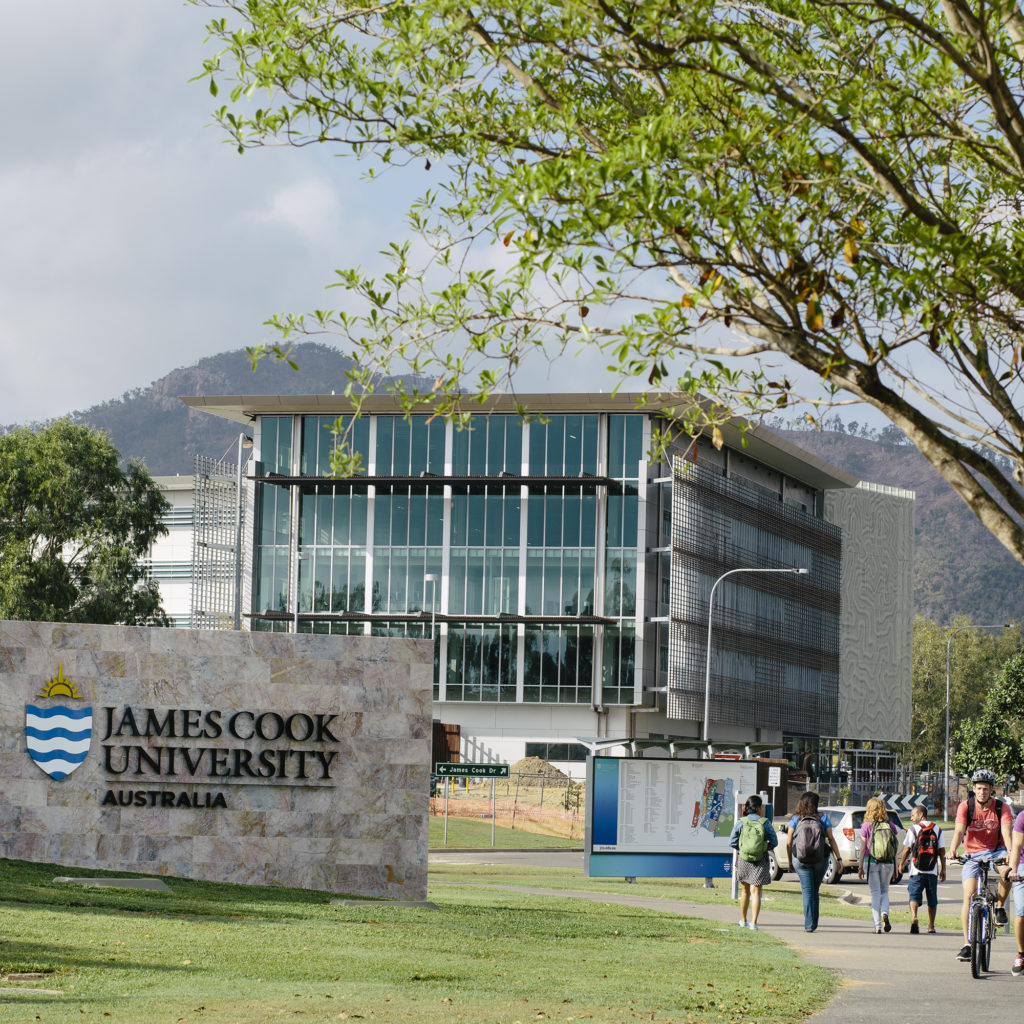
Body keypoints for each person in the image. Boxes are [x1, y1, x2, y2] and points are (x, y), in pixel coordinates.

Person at [944, 767, 1014, 962]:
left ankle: (999, 907)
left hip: (997, 851)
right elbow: (959, 831)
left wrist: (1009, 853)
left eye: (986, 788)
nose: (982, 792)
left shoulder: (1002, 808)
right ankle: (967, 944)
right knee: (969, 896)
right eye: (979, 788)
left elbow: (1007, 834)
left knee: (1007, 873)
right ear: (973, 789)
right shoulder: (966, 807)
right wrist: (952, 850)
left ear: (992, 790)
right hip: (972, 853)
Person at [785, 791, 843, 933]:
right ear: (816, 804)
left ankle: (809, 924)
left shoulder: (795, 819)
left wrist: (790, 861)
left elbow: (788, 842)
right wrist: (839, 858)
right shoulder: (823, 818)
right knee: (814, 891)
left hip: (800, 859)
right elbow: (831, 839)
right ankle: (813, 923)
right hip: (820, 859)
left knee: (807, 891)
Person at [728, 794, 779, 931]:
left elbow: (732, 841)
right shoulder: (765, 823)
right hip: (760, 860)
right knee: (756, 892)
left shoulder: (741, 822)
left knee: (745, 891)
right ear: (758, 808)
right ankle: (754, 923)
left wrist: (743, 849)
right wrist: (763, 848)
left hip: (744, 859)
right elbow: (774, 842)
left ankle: (743, 920)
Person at [897, 804, 946, 934]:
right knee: (932, 899)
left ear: (921, 815)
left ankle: (914, 917)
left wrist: (901, 864)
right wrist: (943, 869)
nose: (912, 818)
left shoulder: (913, 829)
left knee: (914, 896)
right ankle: (931, 925)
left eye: (913, 815)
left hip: (916, 870)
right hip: (932, 870)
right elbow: (941, 851)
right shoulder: (937, 829)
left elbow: (907, 849)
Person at [857, 796, 900, 933]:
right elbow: (894, 848)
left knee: (875, 893)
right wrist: (896, 867)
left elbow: (863, 847)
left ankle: (877, 926)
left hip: (871, 862)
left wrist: (860, 866)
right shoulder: (891, 825)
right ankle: (885, 913)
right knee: (885, 891)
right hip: (888, 863)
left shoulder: (866, 826)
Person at [1001, 805, 1024, 976]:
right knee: (1022, 911)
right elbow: (1016, 847)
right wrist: (1014, 870)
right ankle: (1021, 954)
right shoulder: (1023, 817)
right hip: (1023, 866)